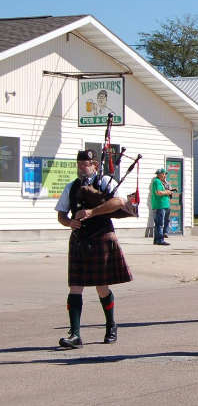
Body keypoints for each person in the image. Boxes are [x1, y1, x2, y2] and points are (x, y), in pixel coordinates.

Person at [54, 149, 132, 348]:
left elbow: (119, 202)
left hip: (101, 236)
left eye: (86, 164)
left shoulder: (106, 182)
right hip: (79, 239)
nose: (82, 167)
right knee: (75, 286)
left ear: (95, 165)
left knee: (101, 286)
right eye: (79, 164)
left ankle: (111, 325)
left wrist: (92, 211)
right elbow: (61, 214)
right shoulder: (72, 187)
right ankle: (75, 334)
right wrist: (69, 222)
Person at [150, 168, 174, 246]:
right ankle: (160, 240)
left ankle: (157, 240)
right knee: (160, 223)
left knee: (160, 223)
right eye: (163, 174)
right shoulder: (157, 181)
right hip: (159, 205)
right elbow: (158, 192)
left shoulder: (160, 182)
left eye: (165, 174)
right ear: (159, 174)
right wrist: (168, 192)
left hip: (163, 205)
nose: (165, 175)